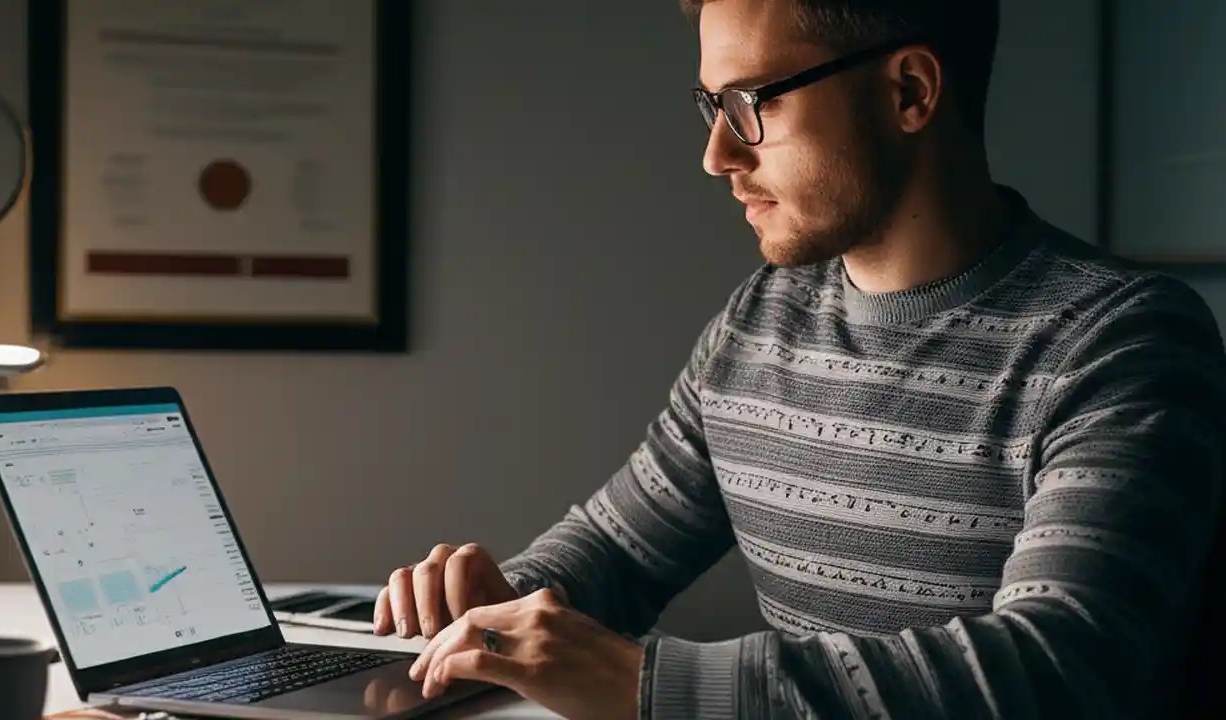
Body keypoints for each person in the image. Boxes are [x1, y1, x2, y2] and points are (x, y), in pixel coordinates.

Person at [373, 1, 1226, 717]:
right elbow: (620, 549)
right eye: (712, 106)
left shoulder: (1122, 340)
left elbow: (1056, 662)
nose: (718, 156)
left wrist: (647, 687)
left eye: (752, 104)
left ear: (910, 91)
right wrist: (494, 607)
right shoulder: (760, 321)